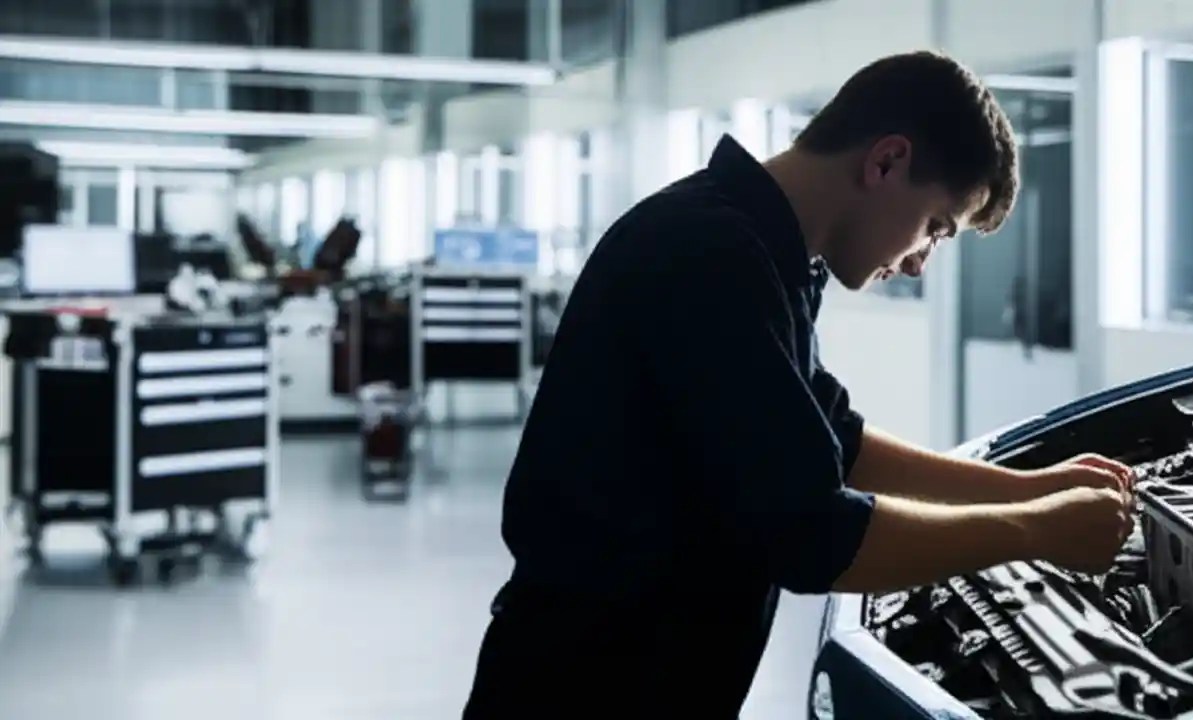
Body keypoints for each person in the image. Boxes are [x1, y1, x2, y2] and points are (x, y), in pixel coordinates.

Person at [461, 50, 1135, 718]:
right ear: (886, 161)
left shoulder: (760, 251)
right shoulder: (706, 254)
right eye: (934, 229)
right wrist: (1032, 531)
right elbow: (812, 535)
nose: (919, 264)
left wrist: (1033, 486)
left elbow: (833, 438)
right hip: (588, 687)